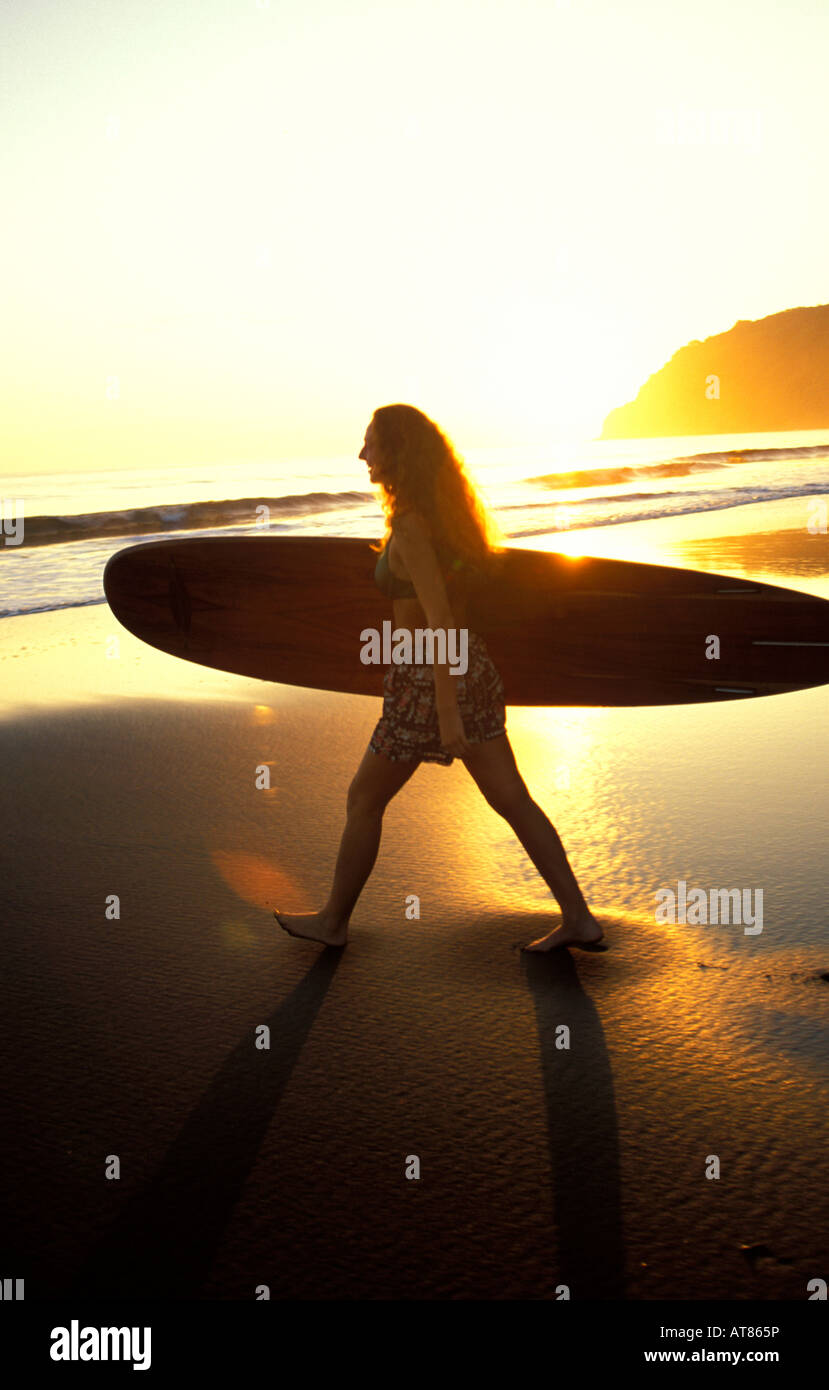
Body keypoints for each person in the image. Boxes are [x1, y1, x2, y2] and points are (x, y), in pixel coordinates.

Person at [274, 404, 605, 953]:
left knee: (363, 798)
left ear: (398, 451)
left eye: (370, 443)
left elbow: (439, 621)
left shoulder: (410, 524)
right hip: (468, 667)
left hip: (429, 677)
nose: (362, 454)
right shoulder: (446, 517)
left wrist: (445, 711)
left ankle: (333, 922)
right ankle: (579, 918)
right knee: (513, 799)